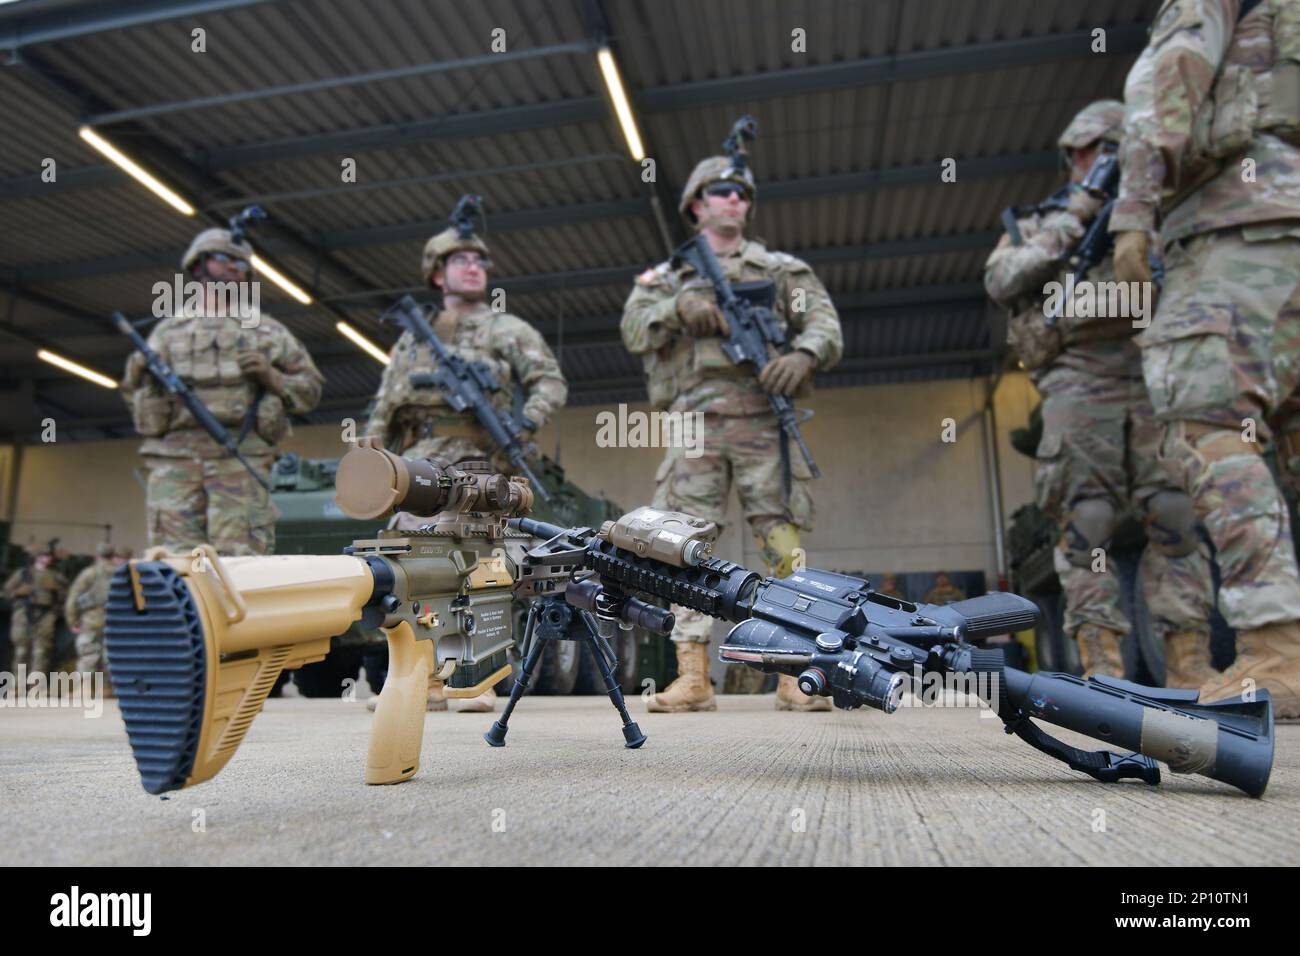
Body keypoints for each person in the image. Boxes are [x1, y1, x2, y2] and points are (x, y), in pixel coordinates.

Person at [1110, 0, 1300, 714]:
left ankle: (1279, 648)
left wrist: (1134, 213)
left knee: (1205, 426)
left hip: (1241, 229)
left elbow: (1171, 77)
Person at [986, 100, 1216, 684]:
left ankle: (1189, 664)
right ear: (1073, 157)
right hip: (1079, 381)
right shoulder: (1048, 221)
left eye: (1113, 148)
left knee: (1175, 513)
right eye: (1091, 150)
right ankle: (1103, 668)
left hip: (1156, 372)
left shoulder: (1162, 210)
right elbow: (1002, 279)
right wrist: (1077, 217)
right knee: (1086, 522)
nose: (1102, 160)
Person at [621, 142, 843, 712]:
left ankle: (795, 672)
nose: (734, 200)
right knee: (683, 543)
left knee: (783, 540)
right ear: (696, 204)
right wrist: (678, 310)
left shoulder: (780, 271)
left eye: (742, 193)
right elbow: (633, 329)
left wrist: (805, 356)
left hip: (763, 422)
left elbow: (822, 321)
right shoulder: (671, 275)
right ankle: (693, 675)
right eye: (721, 191)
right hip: (695, 425)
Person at [364, 200, 567, 714]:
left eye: (479, 261)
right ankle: (417, 677)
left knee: (478, 567)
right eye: (460, 260)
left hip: (484, 464)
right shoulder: (413, 340)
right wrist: (371, 457)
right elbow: (386, 406)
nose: (473, 266)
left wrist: (525, 422)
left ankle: (473, 677)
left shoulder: (508, 330)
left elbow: (550, 381)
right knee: (413, 564)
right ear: (437, 273)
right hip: (423, 463)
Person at [120, 226, 324, 556]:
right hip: (174, 462)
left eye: (241, 265)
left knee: (240, 566)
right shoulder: (166, 333)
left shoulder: (266, 331)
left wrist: (271, 376)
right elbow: (132, 393)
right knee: (173, 566)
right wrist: (141, 375)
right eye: (223, 259)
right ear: (198, 265)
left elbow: (311, 390)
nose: (233, 268)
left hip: (239, 460)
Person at [65, 543, 128, 696]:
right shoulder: (122, 573)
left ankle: (85, 689)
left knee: (88, 652)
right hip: (116, 618)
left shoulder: (90, 573)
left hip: (92, 618)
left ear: (97, 556)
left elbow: (73, 597)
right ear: (113, 556)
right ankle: (107, 688)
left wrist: (72, 619)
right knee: (111, 653)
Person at [2, 550, 67, 681]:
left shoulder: (56, 576)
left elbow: (64, 596)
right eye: (43, 555)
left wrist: (55, 611)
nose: (47, 559)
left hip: (45, 614)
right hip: (24, 613)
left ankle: (36, 684)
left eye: (49, 556)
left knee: (41, 651)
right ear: (36, 557)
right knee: (21, 649)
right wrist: (19, 594)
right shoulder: (23, 573)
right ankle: (17, 683)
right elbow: (7, 591)